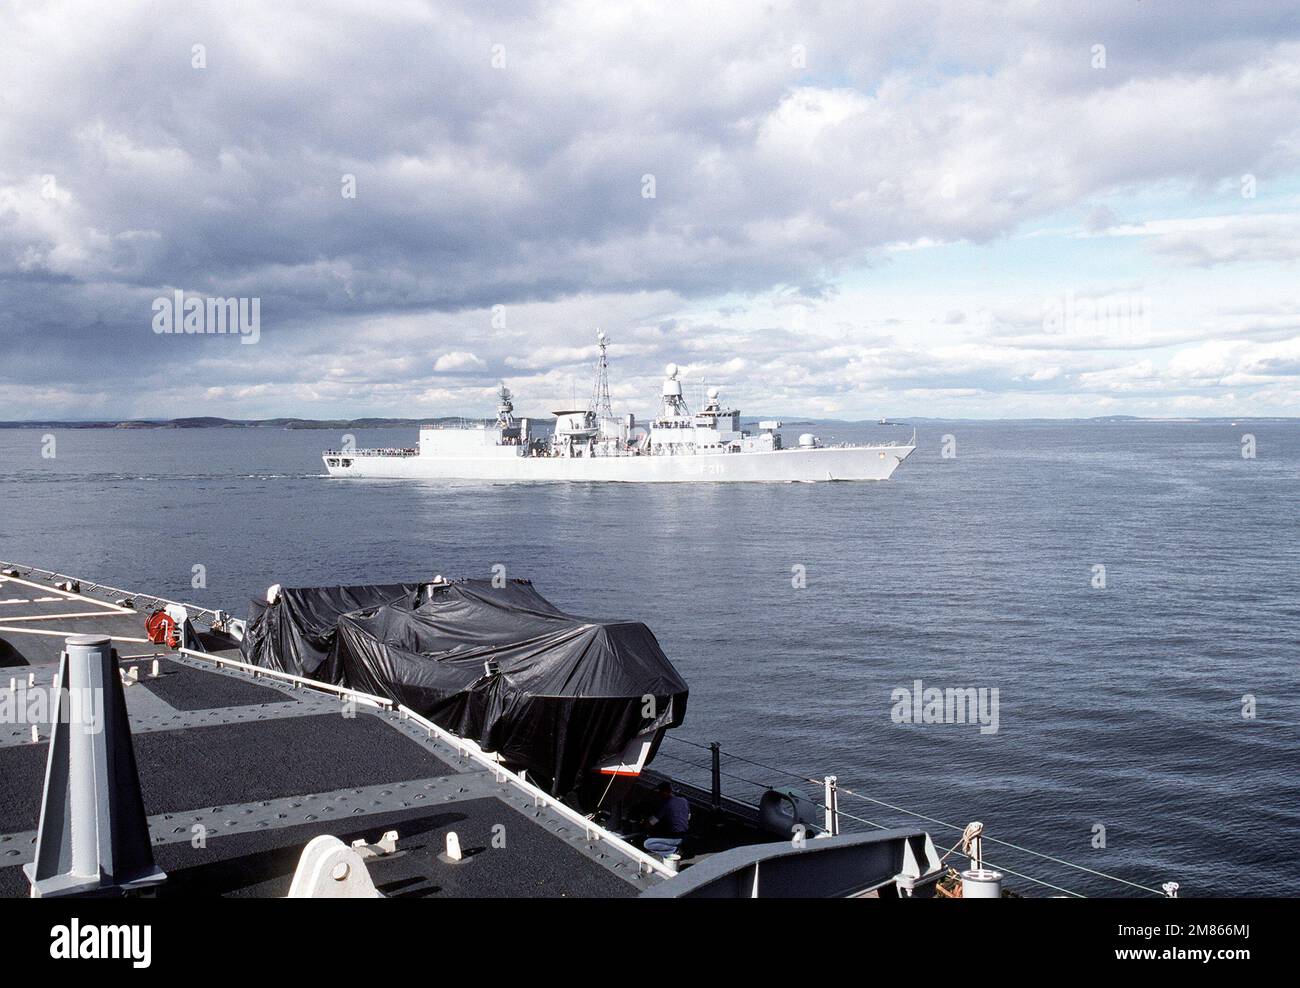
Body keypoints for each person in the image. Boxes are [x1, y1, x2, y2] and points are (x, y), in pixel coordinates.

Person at [644, 781, 689, 856]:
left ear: (663, 793)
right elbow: (688, 816)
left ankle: (673, 851)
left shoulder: (665, 805)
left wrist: (644, 823)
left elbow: (650, 823)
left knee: (647, 843)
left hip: (676, 838)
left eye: (659, 793)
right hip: (685, 836)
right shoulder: (684, 800)